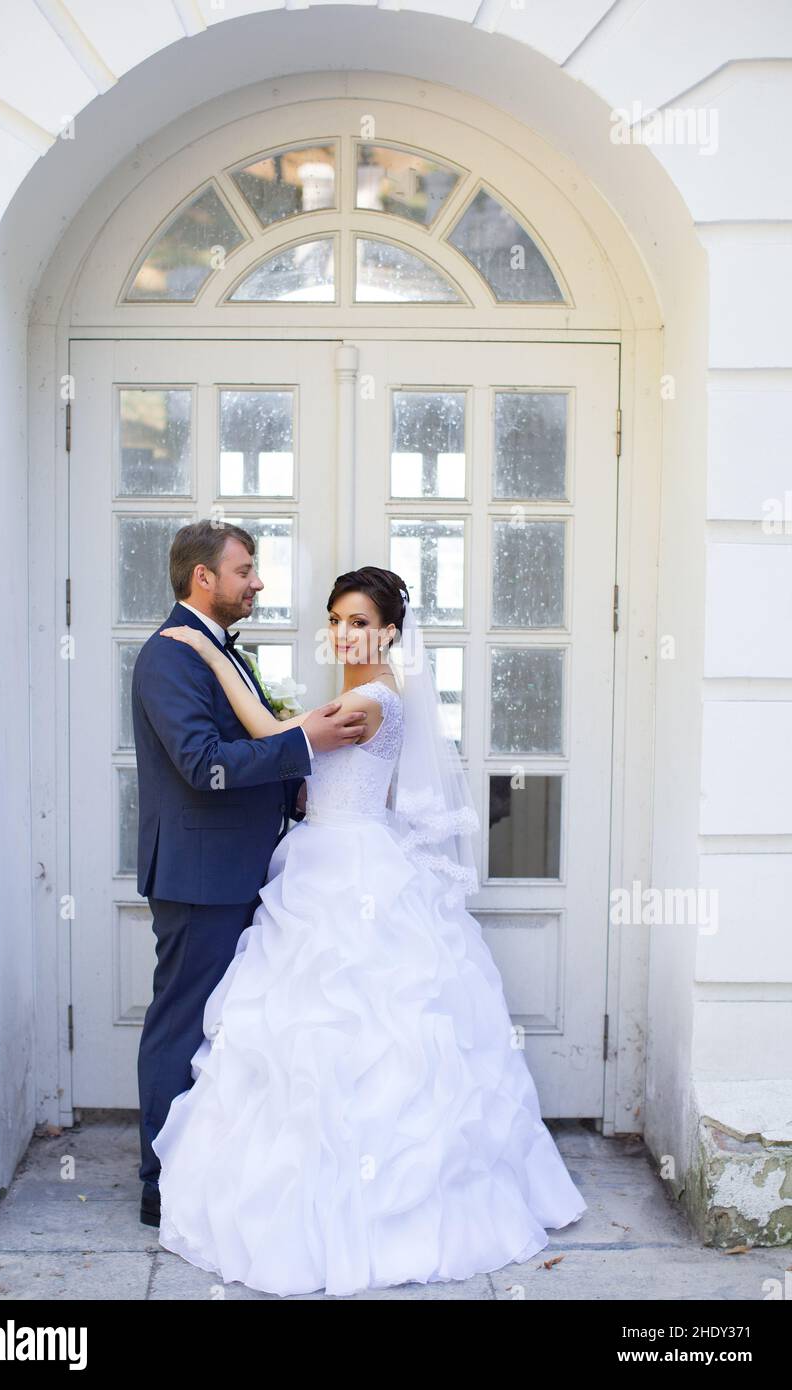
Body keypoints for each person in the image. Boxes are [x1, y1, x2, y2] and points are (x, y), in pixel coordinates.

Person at [148, 563, 587, 1296]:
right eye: (335, 620)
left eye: (359, 622)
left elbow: (270, 733)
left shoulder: (373, 701)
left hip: (352, 866)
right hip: (321, 858)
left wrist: (210, 658)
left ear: (388, 630)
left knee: (363, 1024)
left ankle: (376, 1210)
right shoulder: (355, 692)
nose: (343, 633)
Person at [131, 521, 369, 1228]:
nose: (258, 582)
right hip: (199, 876)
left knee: (229, 1028)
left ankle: (211, 1164)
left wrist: (290, 787)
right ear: (203, 578)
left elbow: (241, 744)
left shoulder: (220, 652)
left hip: (244, 868)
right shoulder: (170, 659)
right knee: (183, 1025)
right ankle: (161, 1181)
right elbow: (205, 766)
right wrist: (306, 744)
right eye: (246, 570)